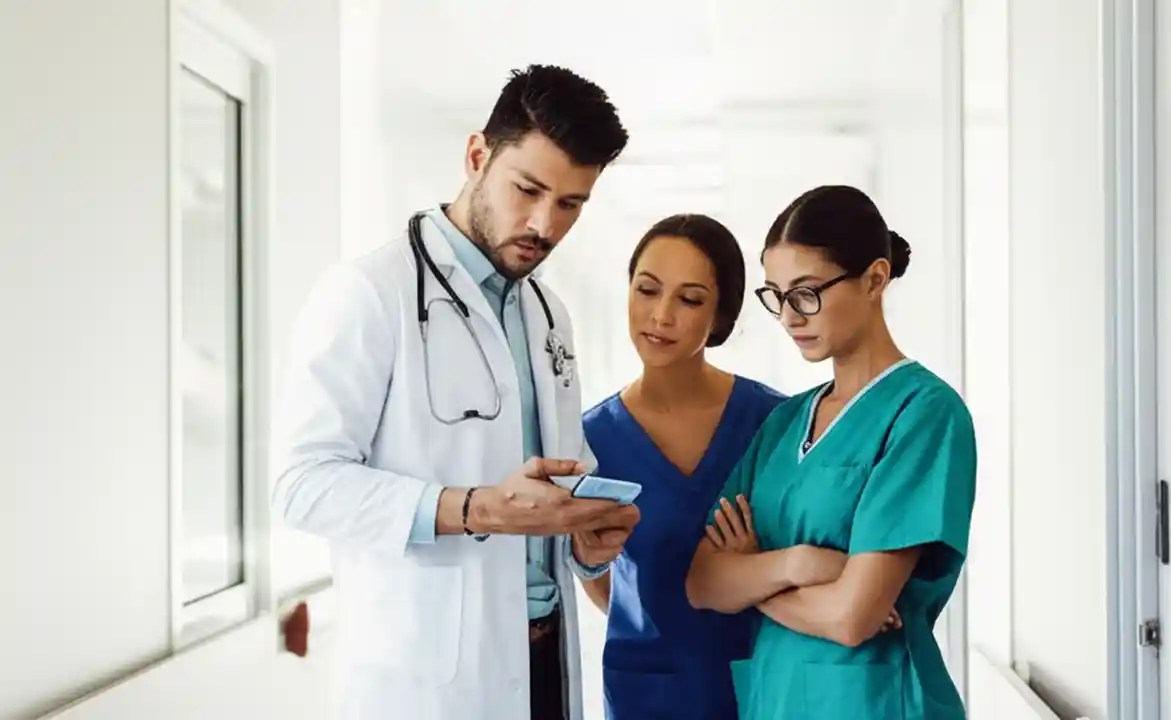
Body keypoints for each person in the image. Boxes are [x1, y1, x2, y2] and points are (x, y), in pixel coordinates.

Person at [271, 65, 640, 720]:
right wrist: (476, 509)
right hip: (426, 682)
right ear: (477, 156)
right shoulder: (370, 293)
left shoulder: (548, 313)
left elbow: (560, 476)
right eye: (527, 189)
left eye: (570, 204)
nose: (544, 224)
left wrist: (585, 540)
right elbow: (300, 485)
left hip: (545, 663)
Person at [685, 185, 977, 719]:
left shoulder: (924, 413)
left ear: (875, 279)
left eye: (807, 292)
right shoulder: (783, 422)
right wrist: (802, 563)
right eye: (776, 296)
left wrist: (754, 577)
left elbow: (851, 618)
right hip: (777, 698)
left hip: (874, 702)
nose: (790, 317)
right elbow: (703, 582)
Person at [578, 215, 786, 720]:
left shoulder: (775, 423)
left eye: (690, 299)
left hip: (761, 686)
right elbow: (597, 576)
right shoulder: (591, 438)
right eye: (647, 290)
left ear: (721, 315)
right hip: (645, 694)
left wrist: (753, 569)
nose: (661, 315)